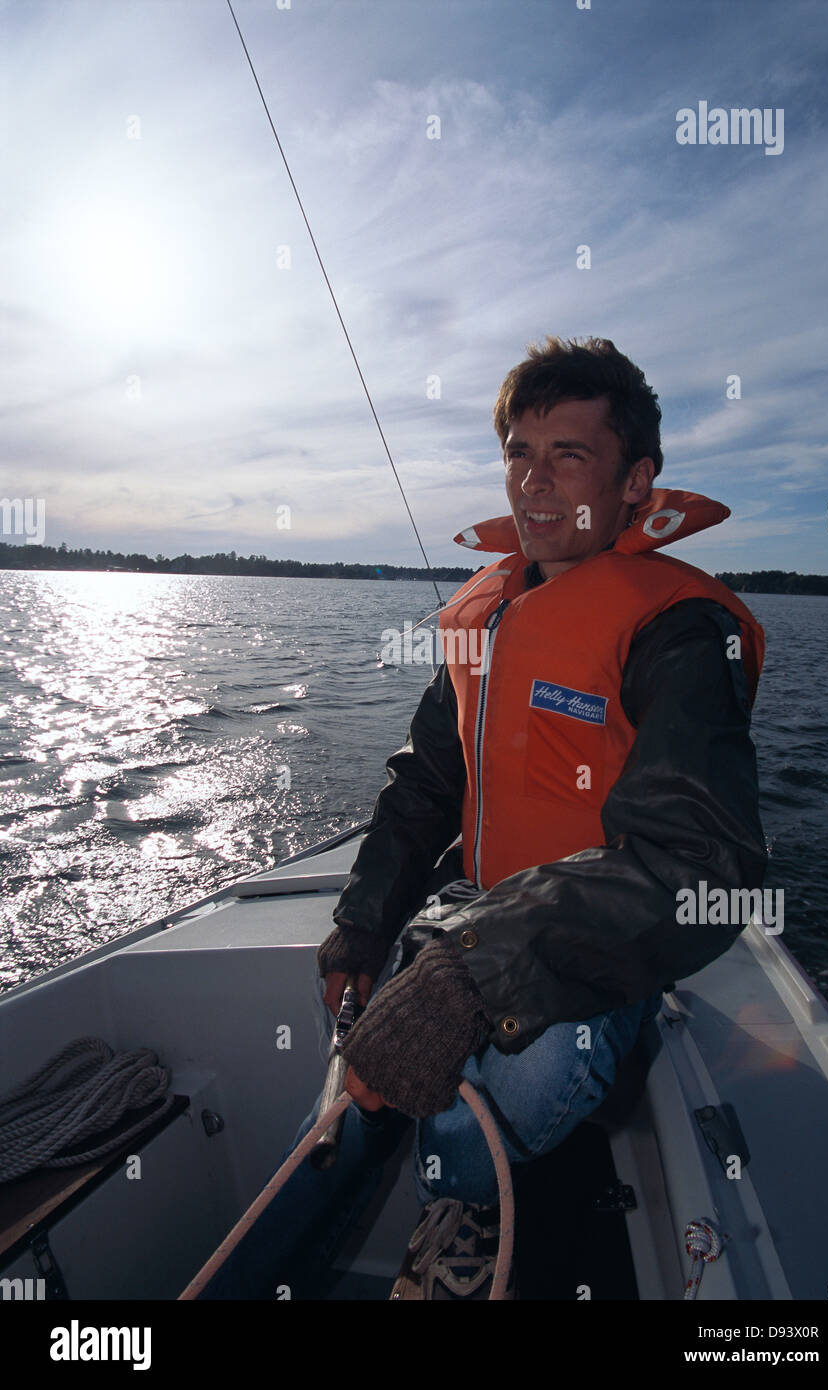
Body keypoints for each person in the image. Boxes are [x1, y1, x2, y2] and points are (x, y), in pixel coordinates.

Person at [198, 335, 767, 1301]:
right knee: (359, 1072)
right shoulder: (486, 614)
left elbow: (702, 864)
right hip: (476, 915)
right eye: (517, 453)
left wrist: (470, 971)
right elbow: (425, 784)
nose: (533, 484)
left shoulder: (676, 630)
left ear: (636, 482)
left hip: (597, 950)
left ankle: (467, 1200)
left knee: (521, 1087)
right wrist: (366, 924)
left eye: (568, 456)